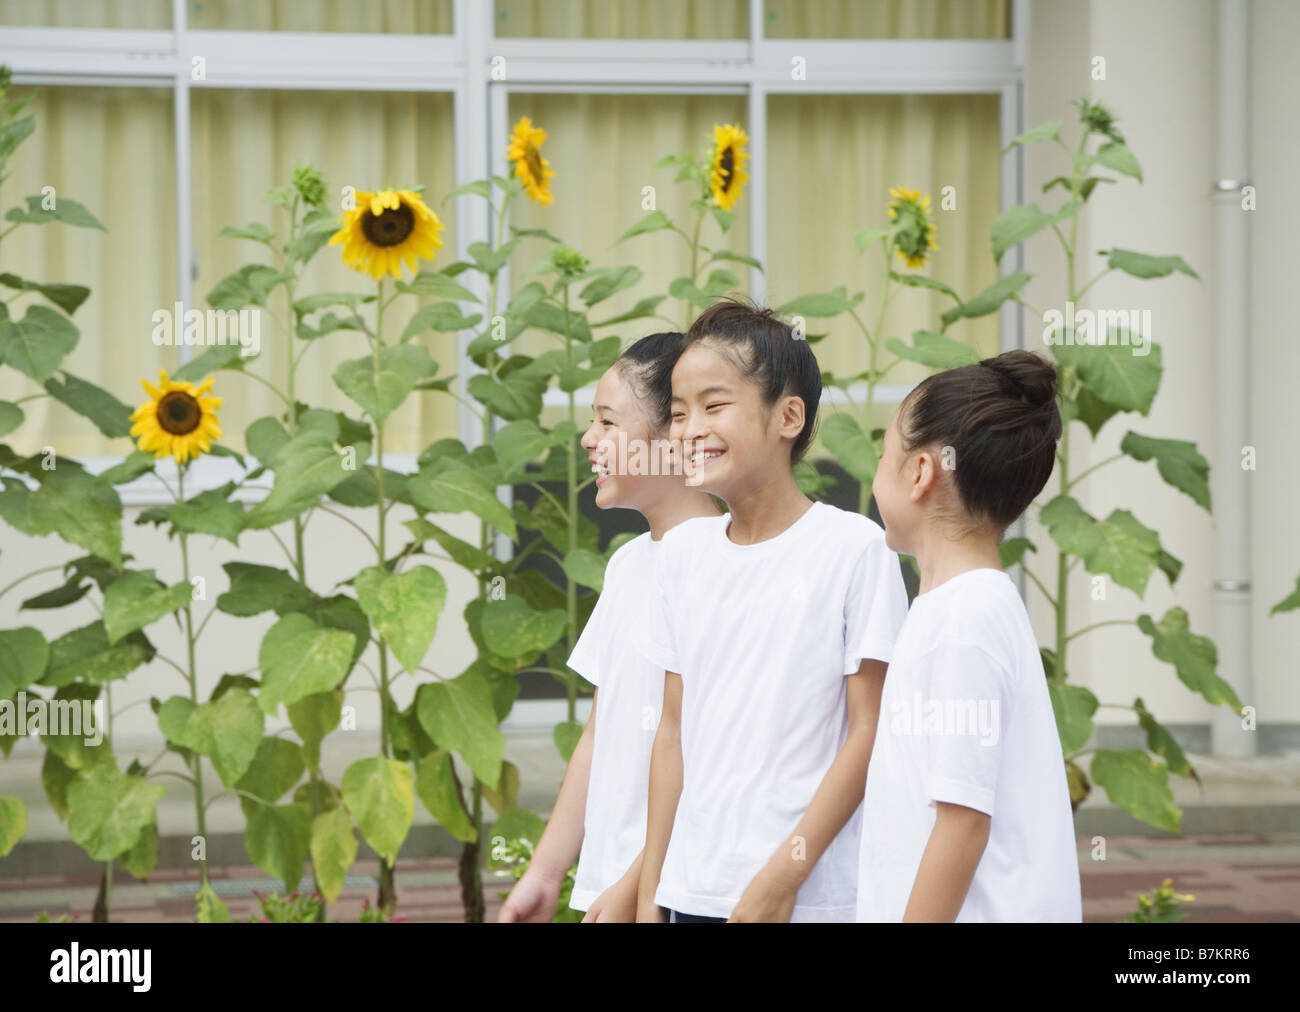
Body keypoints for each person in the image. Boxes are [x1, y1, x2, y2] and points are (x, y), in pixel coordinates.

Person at [634, 298, 909, 923]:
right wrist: (654, 893)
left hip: (806, 898)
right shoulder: (681, 555)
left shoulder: (854, 549)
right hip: (695, 892)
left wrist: (784, 877)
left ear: (788, 416)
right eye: (678, 413)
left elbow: (870, 732)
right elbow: (671, 732)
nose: (690, 428)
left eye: (714, 405)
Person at [497, 332, 722, 923]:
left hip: (673, 891)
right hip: (617, 883)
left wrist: (638, 883)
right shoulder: (628, 563)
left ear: (674, 438)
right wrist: (545, 874)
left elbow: (713, 756)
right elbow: (601, 732)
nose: (589, 440)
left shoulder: (719, 565)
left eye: (607, 422)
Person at [857, 348, 1082, 922]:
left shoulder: (964, 621)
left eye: (884, 454)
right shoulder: (962, 607)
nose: (872, 472)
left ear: (921, 473)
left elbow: (963, 823)